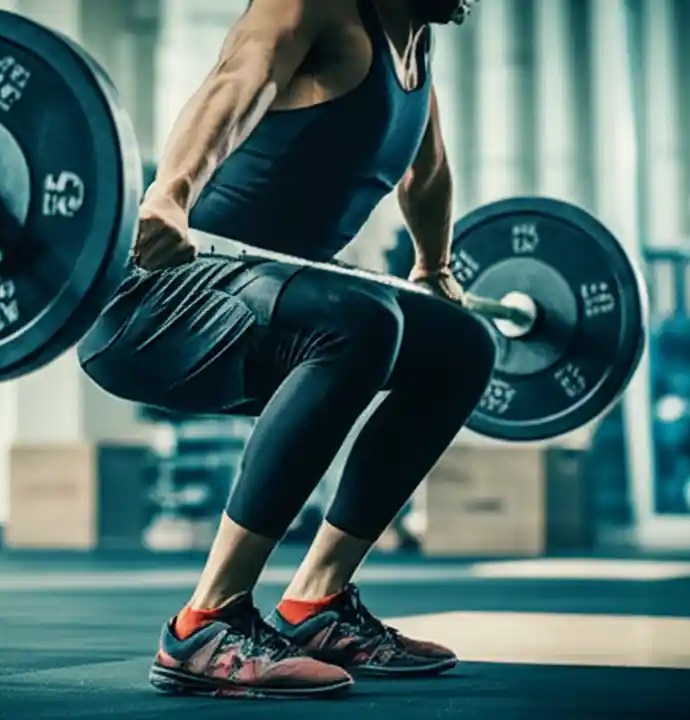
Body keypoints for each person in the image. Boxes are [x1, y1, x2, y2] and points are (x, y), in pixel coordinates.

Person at [78, 0, 491, 699]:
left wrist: (436, 269)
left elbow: (427, 171)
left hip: (271, 302)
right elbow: (234, 80)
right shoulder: (311, 6)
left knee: (459, 346)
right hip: (161, 298)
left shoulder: (414, 45)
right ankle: (203, 624)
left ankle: (316, 604)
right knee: (360, 322)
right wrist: (169, 194)